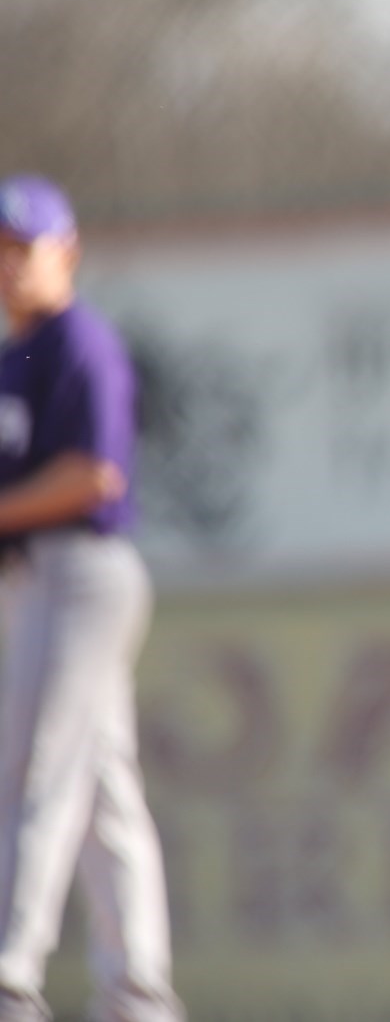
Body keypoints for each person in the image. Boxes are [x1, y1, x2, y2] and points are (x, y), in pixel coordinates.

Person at [0, 175, 183, 1022]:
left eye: (24, 247)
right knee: (104, 788)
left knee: (36, 765)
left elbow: (92, 473)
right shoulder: (16, 357)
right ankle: (137, 992)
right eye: (0, 251)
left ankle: (10, 973)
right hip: (39, 574)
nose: (10, 265)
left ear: (66, 251)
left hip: (82, 572)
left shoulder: (80, 342)